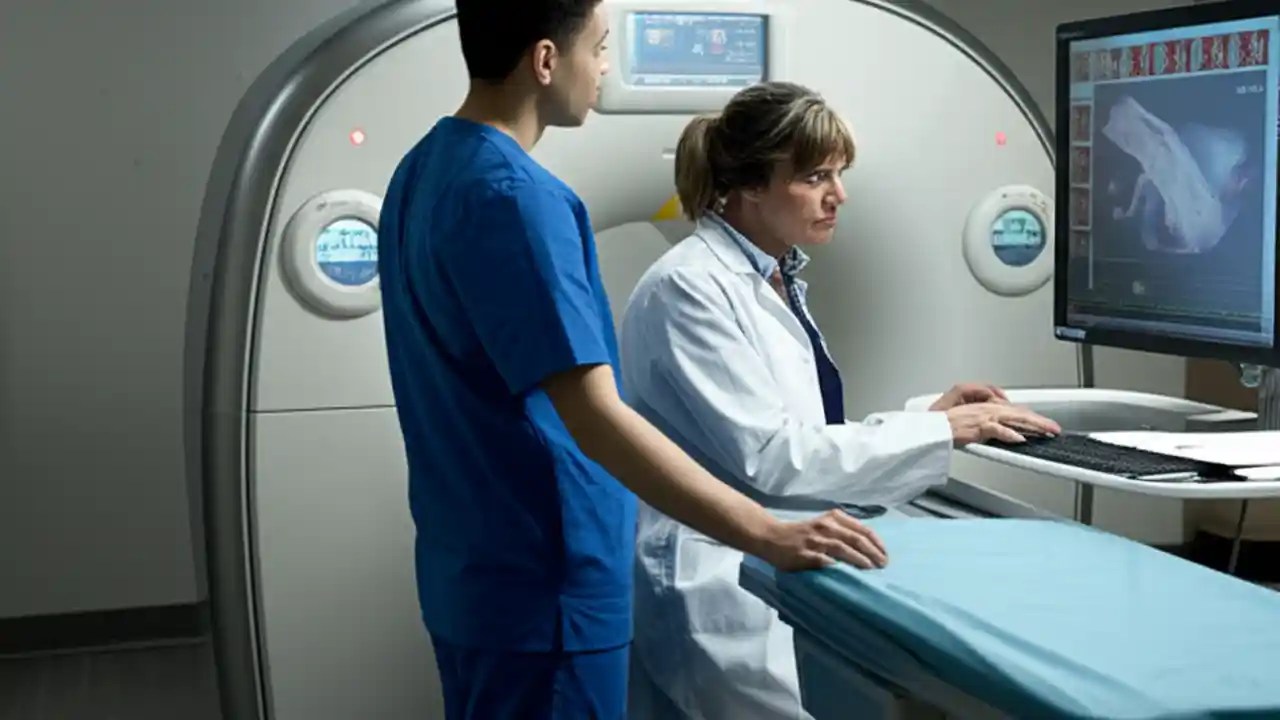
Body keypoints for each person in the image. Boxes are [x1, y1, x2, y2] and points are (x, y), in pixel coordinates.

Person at [375, 5, 893, 719]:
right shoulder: (522, 200)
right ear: (547, 60)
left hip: (470, 568)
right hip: (548, 576)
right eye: (603, 47)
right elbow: (594, 418)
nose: (608, 67)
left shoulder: (422, 172)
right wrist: (765, 532)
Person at [617, 81, 1062, 720]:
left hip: (772, 556)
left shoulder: (772, 274)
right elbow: (771, 456)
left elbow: (791, 431)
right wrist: (947, 434)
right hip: (717, 573)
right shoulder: (689, 288)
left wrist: (926, 423)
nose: (839, 195)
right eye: (815, 176)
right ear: (748, 184)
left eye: (840, 173)